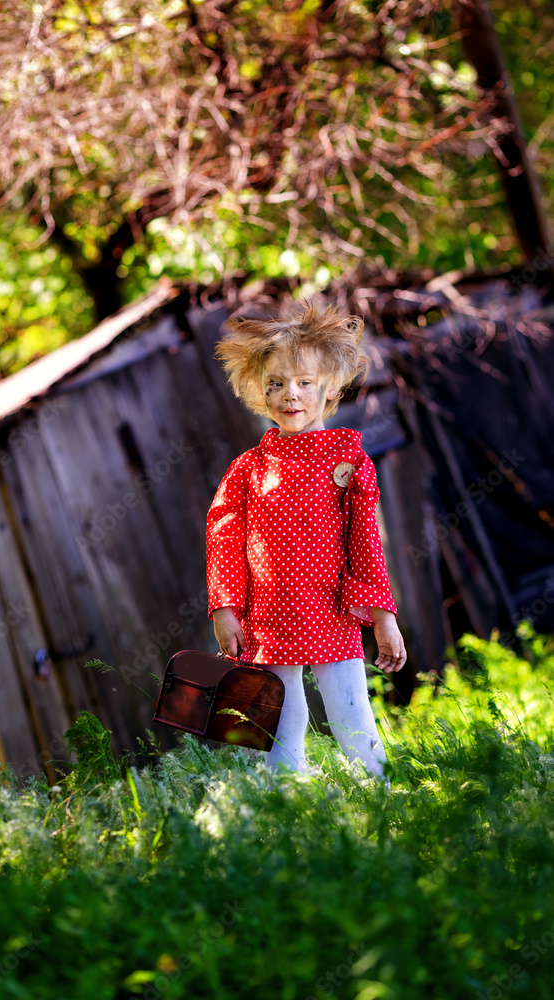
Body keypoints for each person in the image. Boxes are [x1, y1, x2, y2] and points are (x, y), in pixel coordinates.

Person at [205, 299, 406, 781]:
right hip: (267, 624)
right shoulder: (248, 470)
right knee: (278, 730)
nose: (289, 395)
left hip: (331, 617)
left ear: (330, 386)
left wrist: (383, 617)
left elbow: (365, 546)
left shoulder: (349, 462)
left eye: (303, 383)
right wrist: (225, 608)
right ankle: (287, 820)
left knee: (353, 722)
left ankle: (384, 809)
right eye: (275, 384)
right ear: (259, 390)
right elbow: (223, 539)